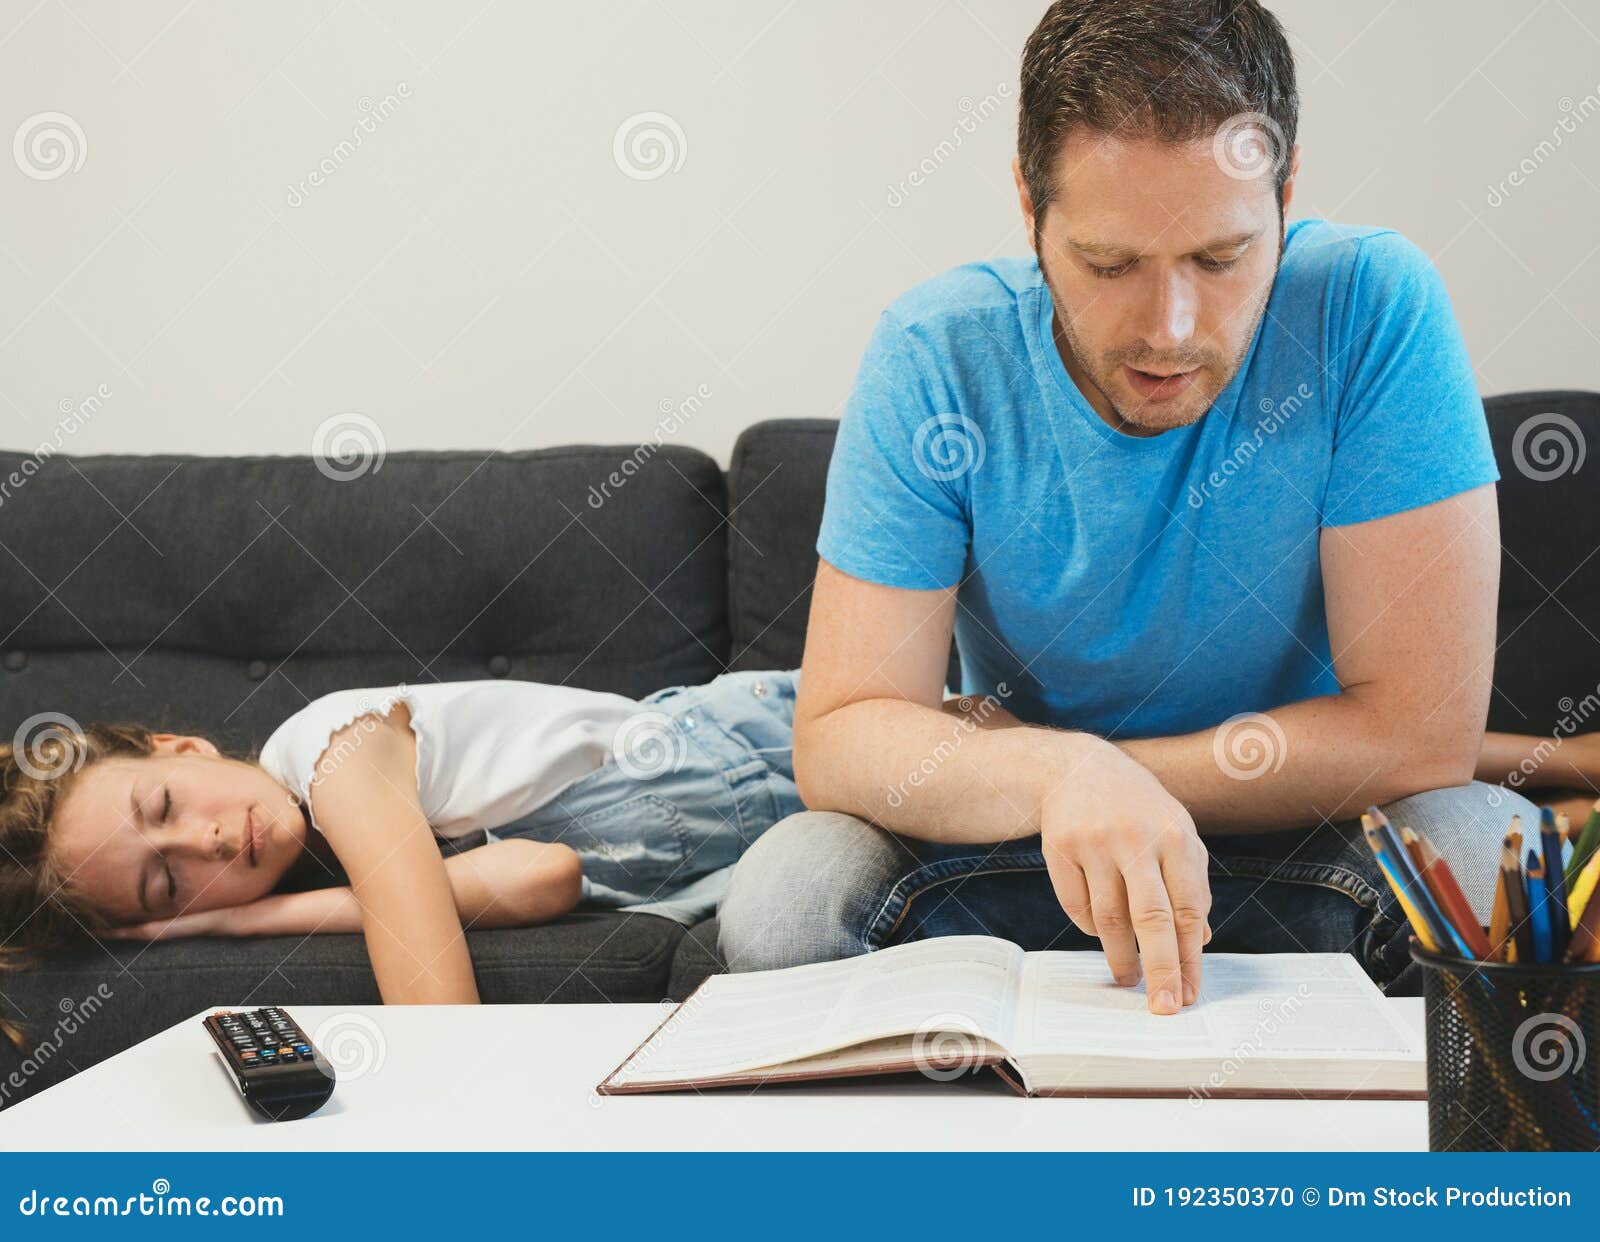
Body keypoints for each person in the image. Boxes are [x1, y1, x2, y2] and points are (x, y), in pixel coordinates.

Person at [717, 0, 1545, 1007]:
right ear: (1029, 208)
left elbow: (1418, 737)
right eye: (1110, 265)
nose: (1171, 329)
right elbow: (839, 734)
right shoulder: (936, 353)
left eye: (1221, 256)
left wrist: (1105, 773)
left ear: (1286, 193)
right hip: (1026, 846)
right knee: (786, 898)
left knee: (1484, 855)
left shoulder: (1373, 305)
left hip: (1308, 838)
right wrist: (1058, 783)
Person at [0, 669, 799, 1011]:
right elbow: (545, 877)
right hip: (765, 849)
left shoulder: (331, 752)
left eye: (164, 804)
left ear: (179, 747)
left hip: (766, 744)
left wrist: (229, 916)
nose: (202, 842)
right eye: (165, 886)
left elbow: (439, 1016)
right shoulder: (318, 868)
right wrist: (245, 920)